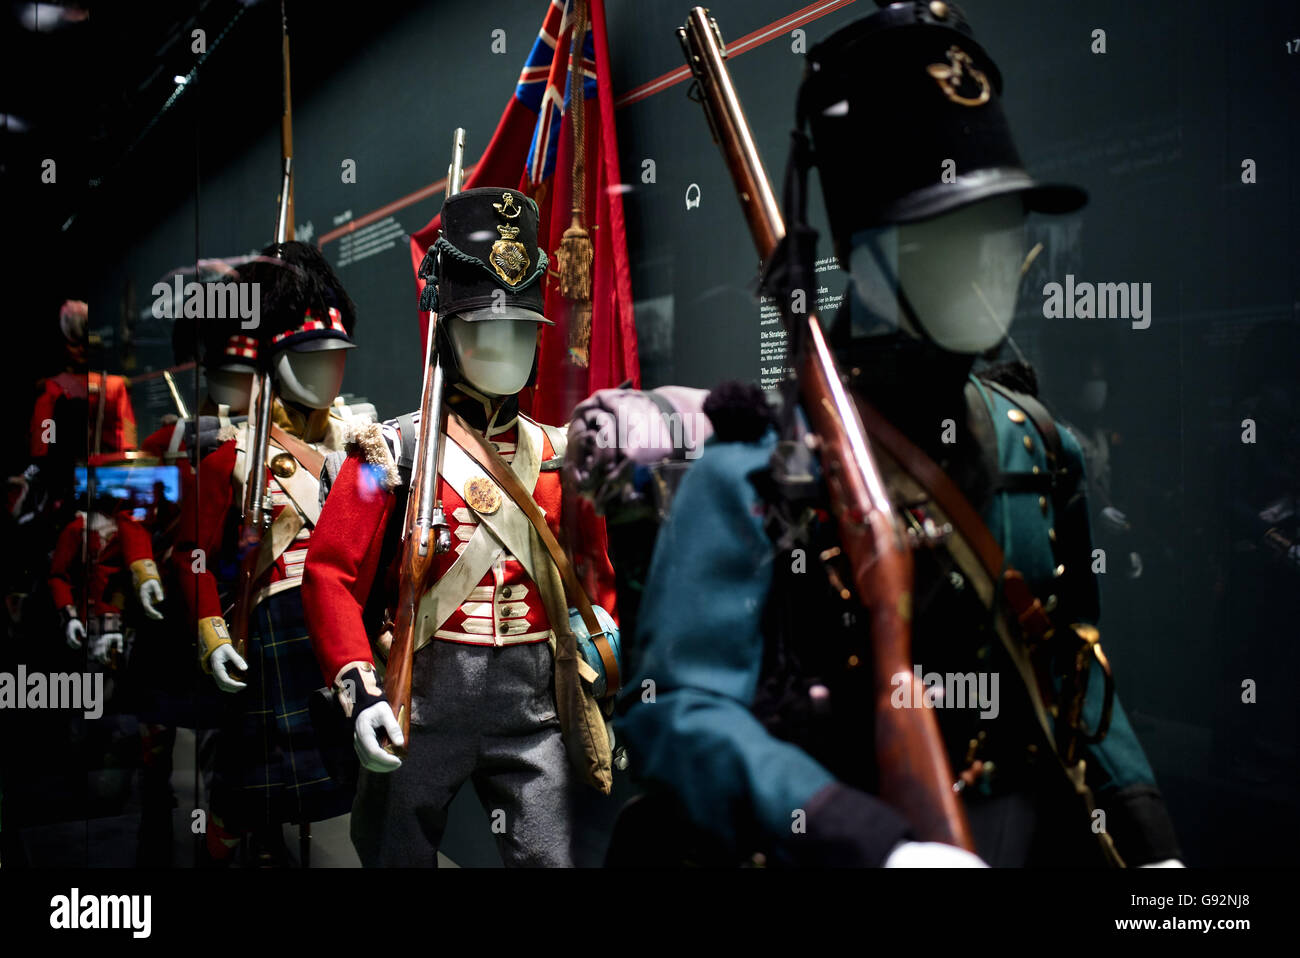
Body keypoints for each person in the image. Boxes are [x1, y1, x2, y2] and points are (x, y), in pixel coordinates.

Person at [613, 1, 1181, 868]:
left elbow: (1071, 665)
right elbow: (675, 711)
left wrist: (1146, 837)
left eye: (1003, 235)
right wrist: (865, 839)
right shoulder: (759, 469)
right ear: (869, 256)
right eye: (950, 238)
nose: (992, 266)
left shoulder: (1037, 444)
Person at [302, 187, 617, 867]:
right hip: (423, 700)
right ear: (448, 331)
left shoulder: (559, 454)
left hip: (534, 707)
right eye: (484, 330)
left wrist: (599, 645)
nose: (506, 346)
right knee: (396, 855)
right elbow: (329, 573)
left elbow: (593, 573)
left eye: (521, 330)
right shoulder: (387, 453)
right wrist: (360, 690)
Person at [173, 241, 364, 865]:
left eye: (337, 356)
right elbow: (193, 553)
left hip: (341, 629)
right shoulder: (234, 453)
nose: (328, 372)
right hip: (275, 631)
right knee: (254, 790)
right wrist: (212, 630)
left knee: (346, 778)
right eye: (311, 357)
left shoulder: (363, 445)